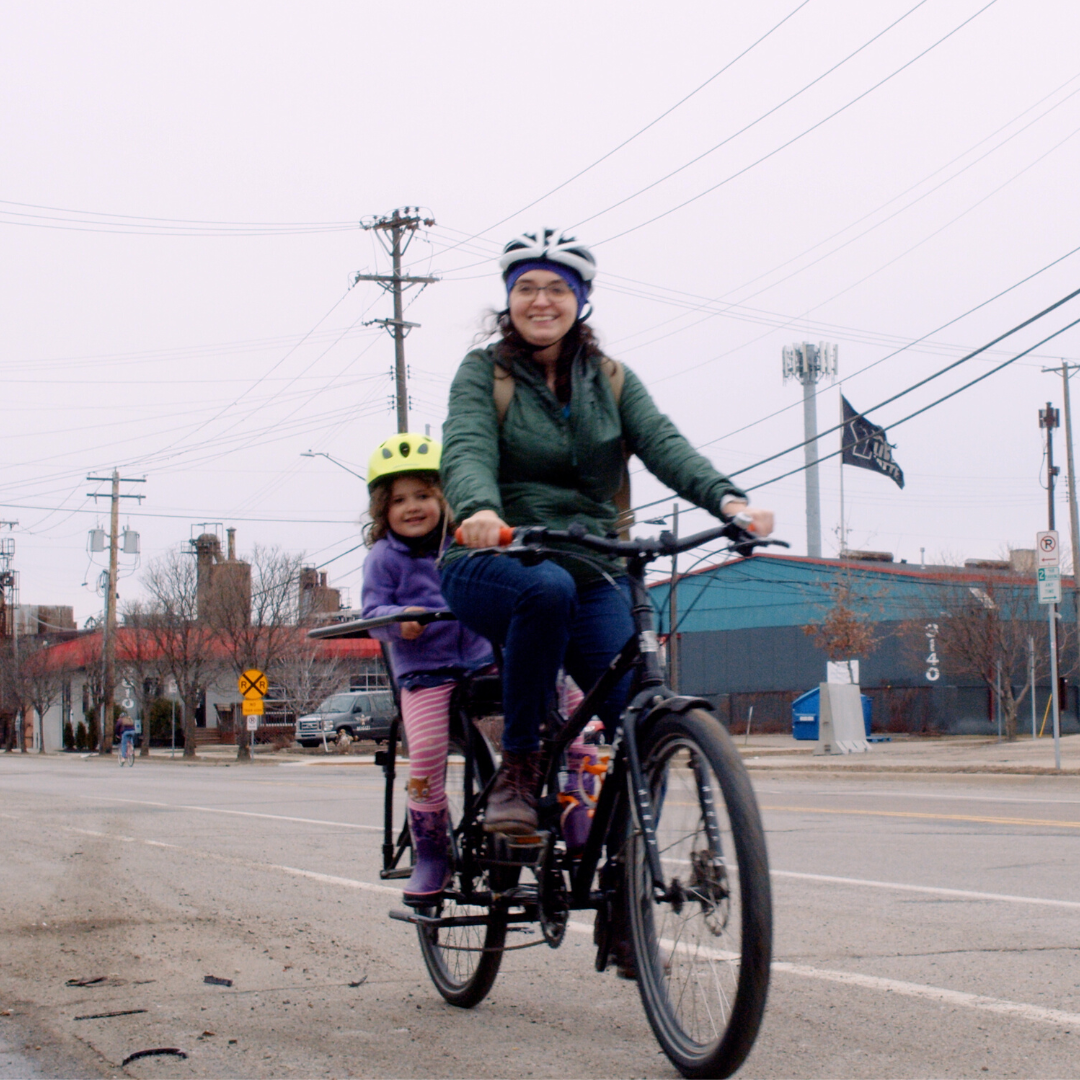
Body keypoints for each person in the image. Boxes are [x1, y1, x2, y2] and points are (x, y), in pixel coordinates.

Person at [440, 228, 775, 837]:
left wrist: (728, 500)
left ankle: (624, 885)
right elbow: (466, 447)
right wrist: (478, 510)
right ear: (509, 300)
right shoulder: (484, 374)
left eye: (557, 289)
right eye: (527, 289)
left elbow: (665, 443)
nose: (542, 301)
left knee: (643, 712)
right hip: (491, 555)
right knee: (544, 591)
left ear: (581, 300)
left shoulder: (612, 379)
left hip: (590, 559)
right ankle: (519, 770)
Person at [360, 433, 493, 905]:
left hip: (481, 662)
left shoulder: (462, 544)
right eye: (399, 500)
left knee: (547, 699)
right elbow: (373, 613)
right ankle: (431, 852)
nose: (412, 507)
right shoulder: (383, 559)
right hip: (425, 675)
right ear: (383, 510)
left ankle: (538, 802)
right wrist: (399, 625)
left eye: (423, 496)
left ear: (443, 498)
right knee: (427, 758)